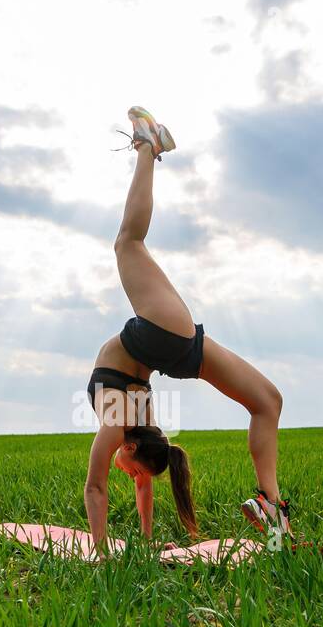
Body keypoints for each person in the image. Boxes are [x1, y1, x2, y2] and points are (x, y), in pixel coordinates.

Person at [84, 107, 292, 554]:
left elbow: (96, 488)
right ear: (139, 450)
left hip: (167, 344)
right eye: (137, 472)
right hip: (167, 343)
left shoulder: (122, 425)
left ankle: (147, 144)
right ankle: (270, 503)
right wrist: (144, 540)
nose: (132, 476)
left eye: (133, 471)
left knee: (128, 242)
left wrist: (102, 555)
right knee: (267, 402)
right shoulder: (132, 426)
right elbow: (127, 485)